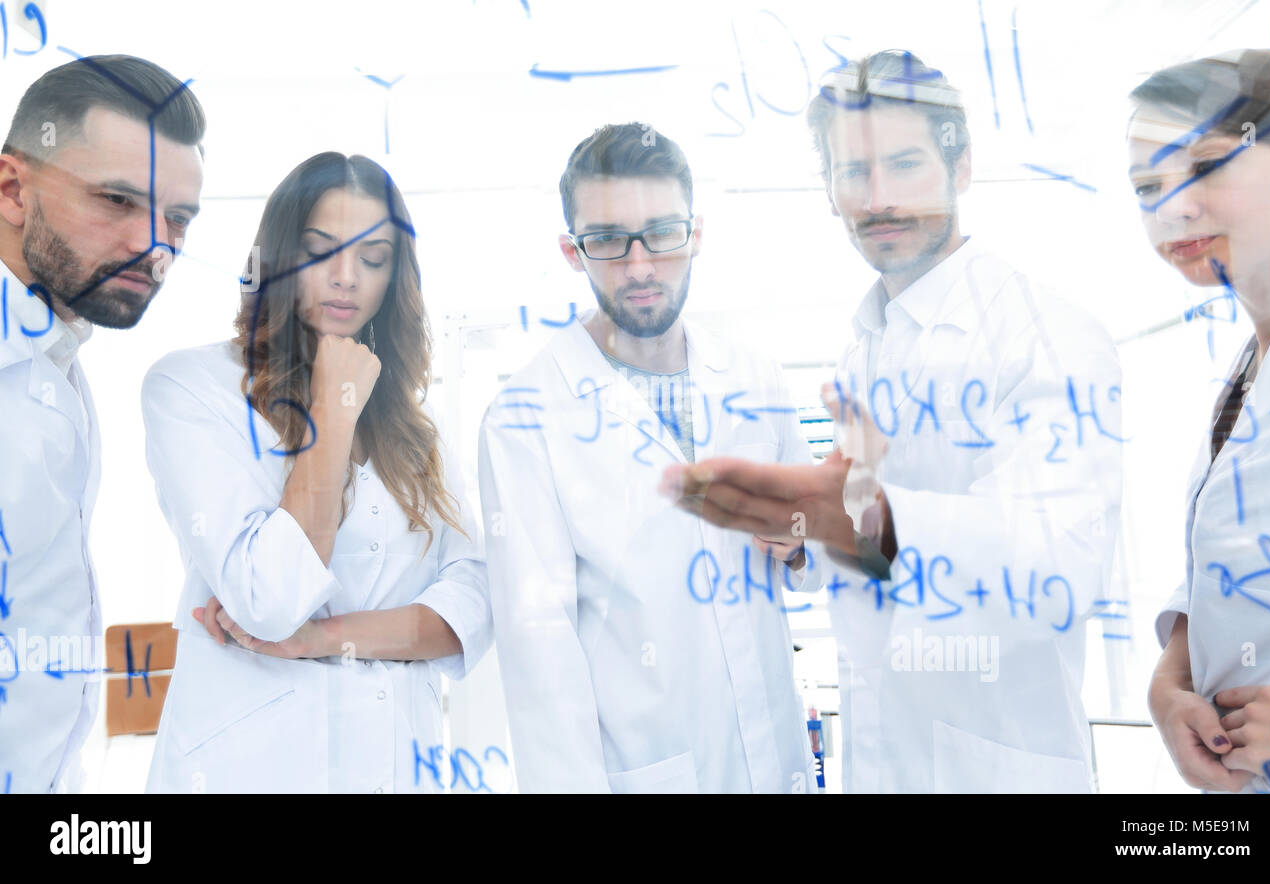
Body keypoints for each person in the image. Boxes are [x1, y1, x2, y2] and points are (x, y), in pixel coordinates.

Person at [662, 51, 1124, 792]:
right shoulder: (864, 349)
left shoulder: (1044, 337)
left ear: (962, 165)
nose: (877, 199)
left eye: (905, 165)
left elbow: (1052, 572)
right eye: (853, 173)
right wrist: (803, 541)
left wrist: (863, 518)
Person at [478, 123, 822, 793]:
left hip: (774, 761)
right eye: (608, 240)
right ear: (572, 251)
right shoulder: (525, 420)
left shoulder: (754, 378)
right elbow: (542, 667)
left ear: (695, 234)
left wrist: (802, 544)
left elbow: (817, 553)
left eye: (662, 234)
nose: (640, 267)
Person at [142, 152, 490, 793]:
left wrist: (319, 638)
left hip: (395, 767)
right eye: (320, 250)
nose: (346, 278)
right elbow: (270, 601)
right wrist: (333, 410)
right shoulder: (192, 389)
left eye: (373, 259)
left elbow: (470, 603)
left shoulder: (418, 421)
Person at [0, 55, 205, 793]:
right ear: (12, 189)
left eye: (177, 218)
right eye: (117, 200)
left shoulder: (54, 359)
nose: (155, 247)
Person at [1136, 49, 1270, 795]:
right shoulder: (1249, 369)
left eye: (1205, 165)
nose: (1172, 207)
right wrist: (1170, 681)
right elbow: (1234, 558)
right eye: (1148, 185)